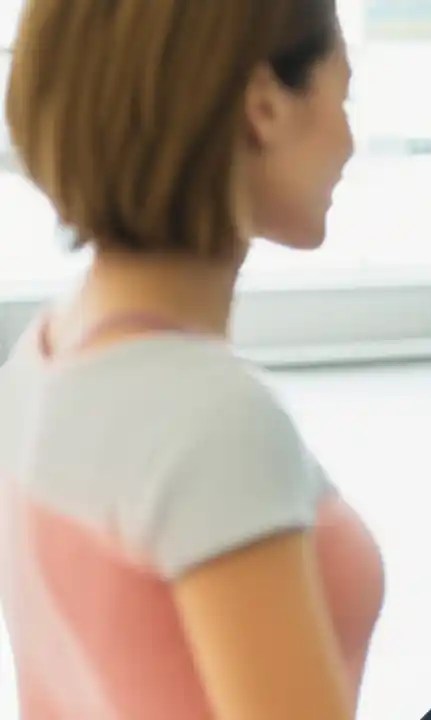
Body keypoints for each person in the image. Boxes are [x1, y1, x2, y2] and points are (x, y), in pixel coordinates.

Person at [0, 2, 382, 718]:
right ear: (263, 105)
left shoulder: (46, 353)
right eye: (345, 94)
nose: (350, 142)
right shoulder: (208, 417)